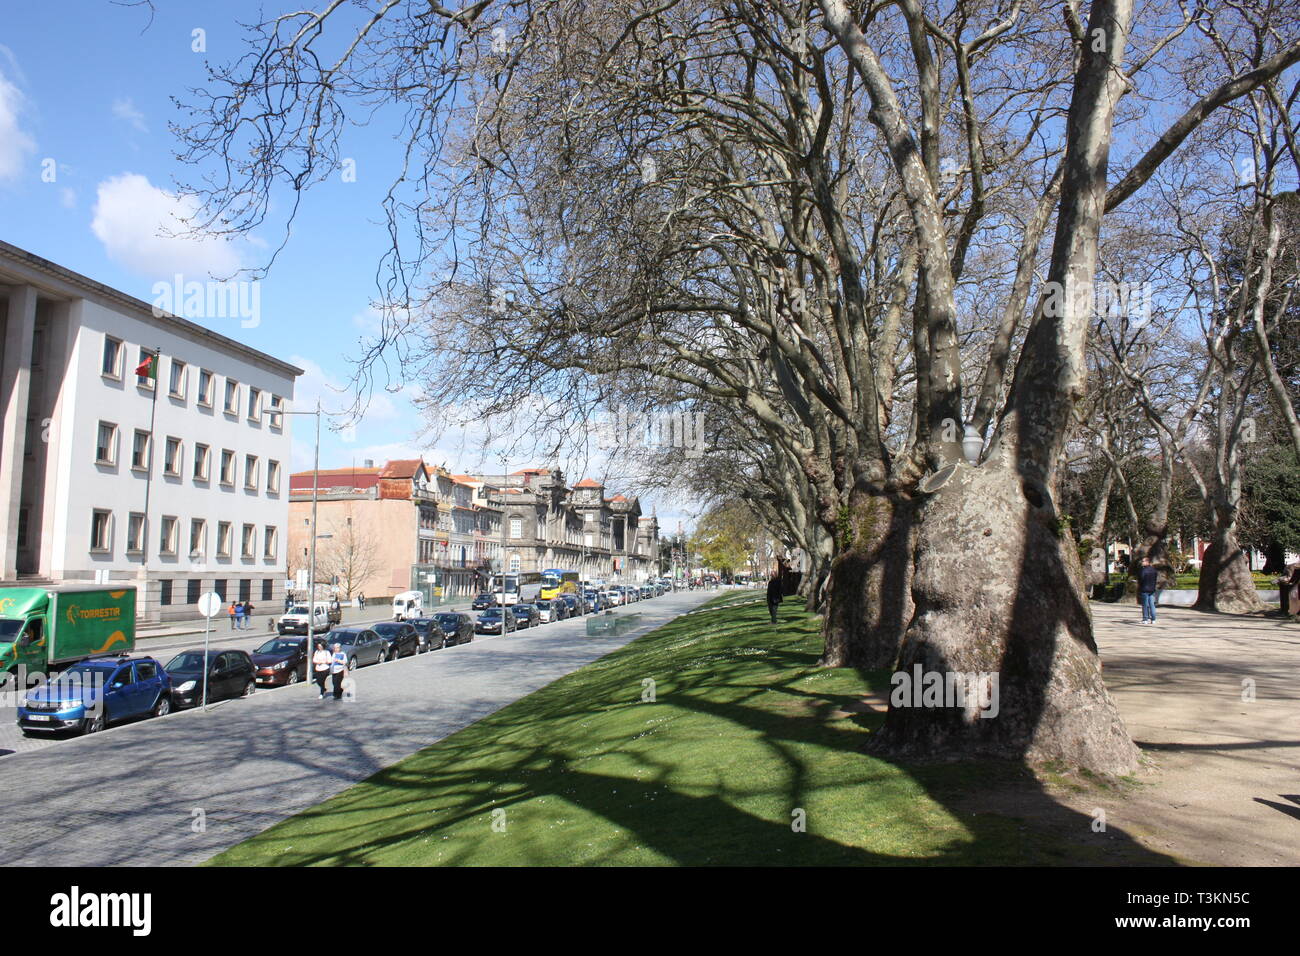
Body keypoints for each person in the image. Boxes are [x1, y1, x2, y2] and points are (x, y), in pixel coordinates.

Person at [1138, 556, 1160, 624]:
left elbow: (1141, 579)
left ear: (1147, 562)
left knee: (1145, 604)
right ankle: (1153, 619)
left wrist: (1140, 585)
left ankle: (1145, 619)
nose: (1142, 563)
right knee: (1152, 604)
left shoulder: (1143, 570)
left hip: (1144, 588)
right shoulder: (1154, 570)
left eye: (1143, 561)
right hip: (1152, 589)